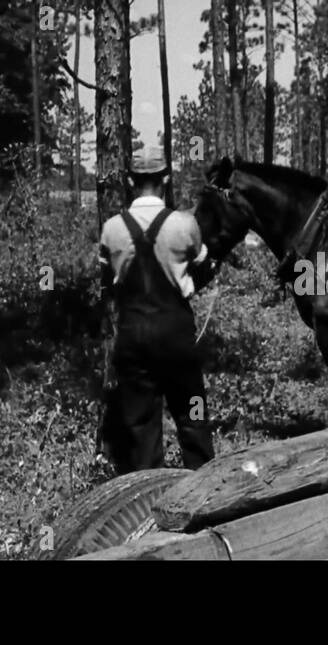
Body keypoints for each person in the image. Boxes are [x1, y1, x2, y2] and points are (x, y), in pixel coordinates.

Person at [97, 146, 215, 474]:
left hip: (132, 335)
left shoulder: (112, 229)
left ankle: (148, 506)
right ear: (166, 178)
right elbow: (203, 269)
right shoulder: (185, 224)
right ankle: (206, 492)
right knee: (193, 415)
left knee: (141, 428)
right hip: (177, 334)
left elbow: (107, 281)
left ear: (130, 180)